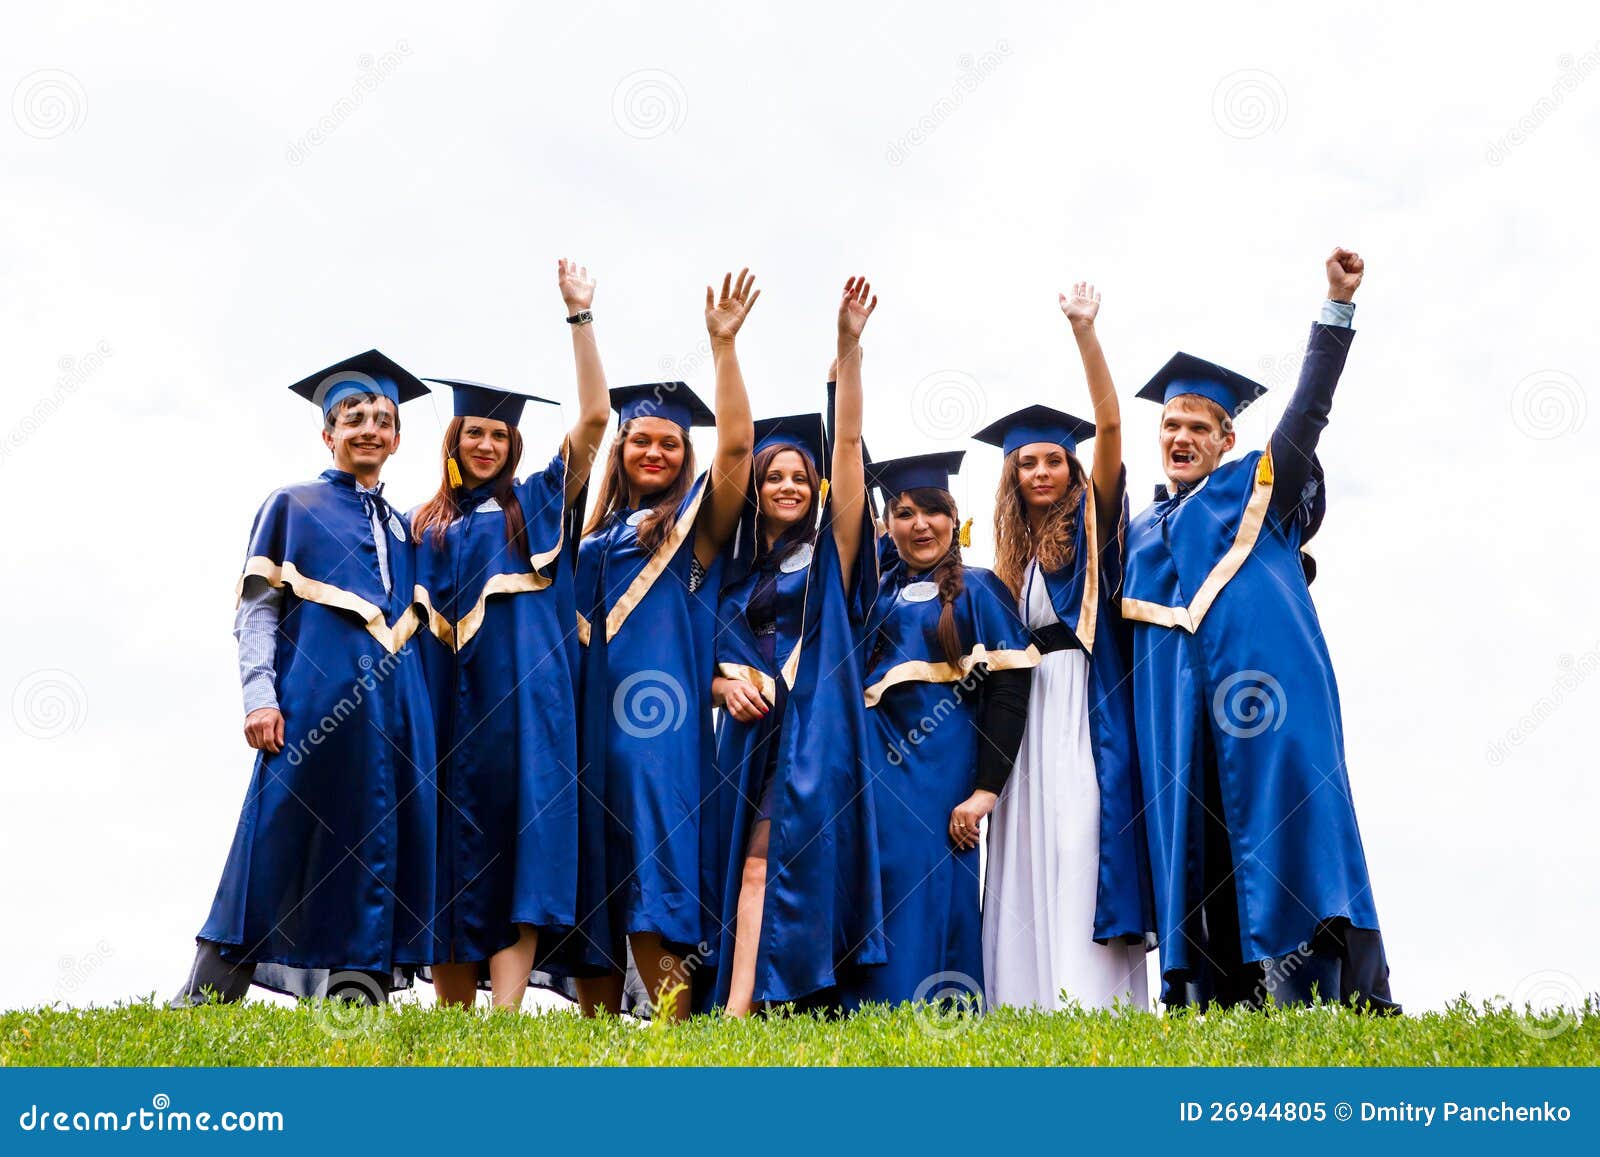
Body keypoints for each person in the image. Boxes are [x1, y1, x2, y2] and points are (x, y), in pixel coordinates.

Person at [1121, 248, 1398, 1012]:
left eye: (1197, 426)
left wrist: (1335, 308)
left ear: (1224, 440)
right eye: (1170, 424)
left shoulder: (1257, 491)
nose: (1179, 436)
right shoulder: (1141, 533)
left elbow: (1308, 409)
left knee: (1290, 834)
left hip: (1272, 705)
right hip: (1185, 723)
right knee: (1205, 843)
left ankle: (1326, 991)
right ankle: (1220, 997)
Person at [173, 349, 437, 1007]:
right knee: (277, 837)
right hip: (309, 707)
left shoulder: (410, 531)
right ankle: (208, 991)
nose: (368, 429)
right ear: (328, 433)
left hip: (394, 717)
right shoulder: (292, 505)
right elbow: (257, 611)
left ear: (399, 438)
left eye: (381, 418)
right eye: (353, 417)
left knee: (378, 844)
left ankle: (356, 1003)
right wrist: (259, 696)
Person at [409, 259, 611, 1010]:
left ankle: (504, 1017)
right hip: (449, 711)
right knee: (452, 848)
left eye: (499, 433)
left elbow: (594, 420)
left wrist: (579, 318)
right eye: (475, 432)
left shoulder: (539, 502)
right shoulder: (424, 525)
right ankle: (453, 1014)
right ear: (455, 438)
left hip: (529, 710)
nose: (487, 444)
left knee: (520, 850)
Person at [563, 269, 758, 1020]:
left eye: (669, 443)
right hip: (586, 724)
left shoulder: (694, 536)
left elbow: (737, 449)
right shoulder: (589, 537)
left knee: (656, 866)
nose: (652, 451)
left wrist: (723, 346)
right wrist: (582, 319)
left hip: (660, 729)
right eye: (639, 439)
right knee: (593, 868)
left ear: (684, 455)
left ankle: (672, 1027)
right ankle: (598, 1030)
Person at [971, 281, 1156, 1011]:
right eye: (1027, 463)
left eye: (1053, 460)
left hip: (1085, 706)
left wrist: (1085, 332)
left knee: (1080, 843)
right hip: (1025, 718)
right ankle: (1024, 1005)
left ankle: (1090, 1001)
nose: (1041, 472)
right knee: (1023, 852)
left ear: (1072, 469)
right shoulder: (1008, 565)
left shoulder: (1096, 529)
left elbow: (1110, 428)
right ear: (1012, 474)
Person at [708, 276, 886, 1015]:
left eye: (799, 477)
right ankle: (766, 1004)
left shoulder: (834, 553)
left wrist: (848, 346)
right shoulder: (734, 569)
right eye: (773, 475)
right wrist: (721, 683)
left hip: (815, 729)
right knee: (741, 865)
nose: (787, 484)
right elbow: (700, 650)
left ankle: (738, 1013)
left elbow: (845, 440)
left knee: (763, 867)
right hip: (746, 736)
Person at [839, 450, 1040, 1010]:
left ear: (954, 519)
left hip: (940, 771)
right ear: (887, 526)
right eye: (903, 514)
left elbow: (1008, 691)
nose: (919, 525)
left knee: (930, 887)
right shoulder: (875, 596)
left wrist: (984, 792)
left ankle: (929, 1014)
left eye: (931, 512)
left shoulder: (980, 589)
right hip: (872, 768)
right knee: (876, 881)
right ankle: (865, 1013)